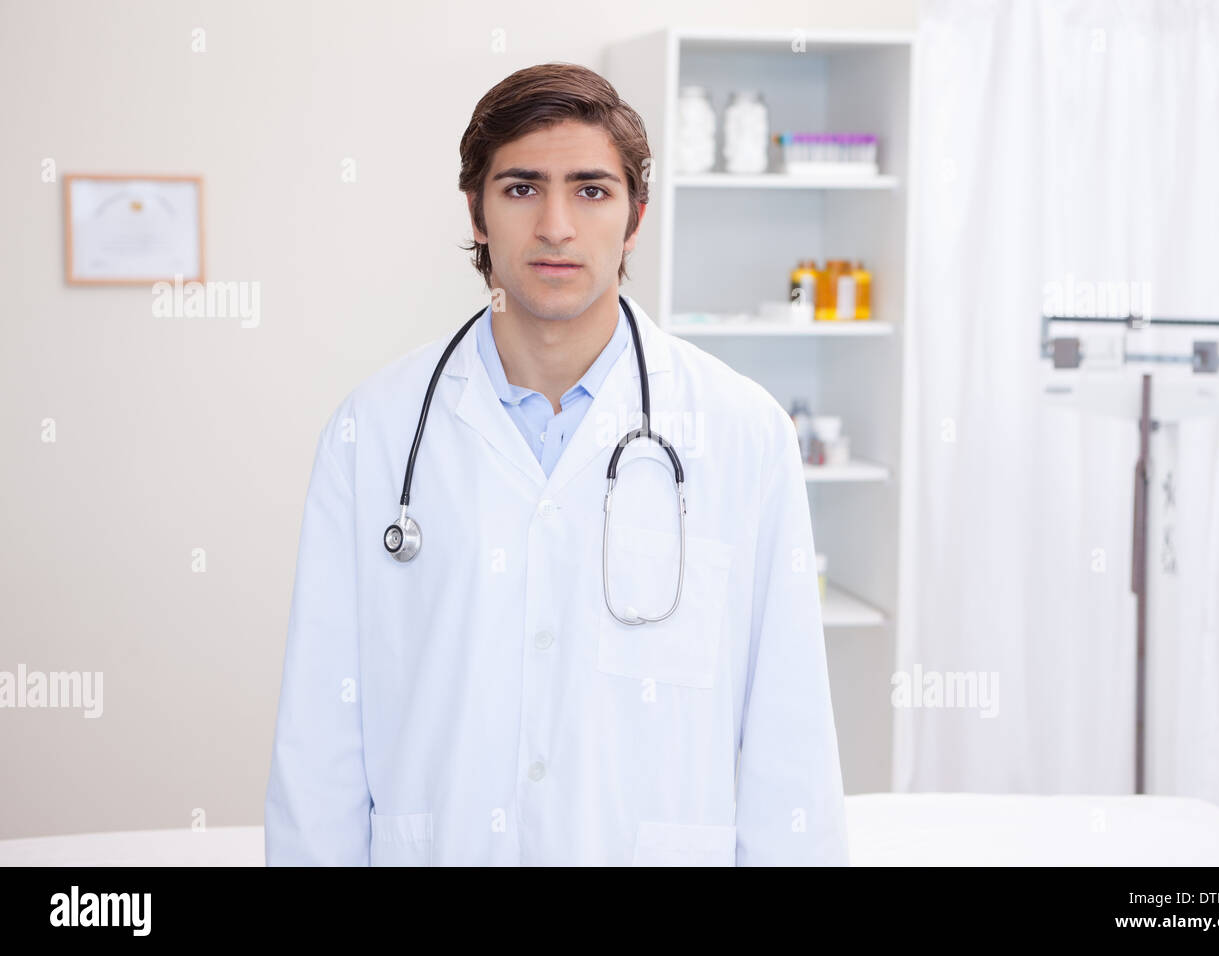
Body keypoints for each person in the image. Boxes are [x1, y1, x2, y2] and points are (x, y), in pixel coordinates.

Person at [264, 62, 850, 866]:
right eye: (520, 188)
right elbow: (319, 736)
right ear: (476, 211)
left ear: (636, 218)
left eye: (591, 190)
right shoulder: (374, 431)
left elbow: (790, 741)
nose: (556, 226)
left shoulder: (744, 432)